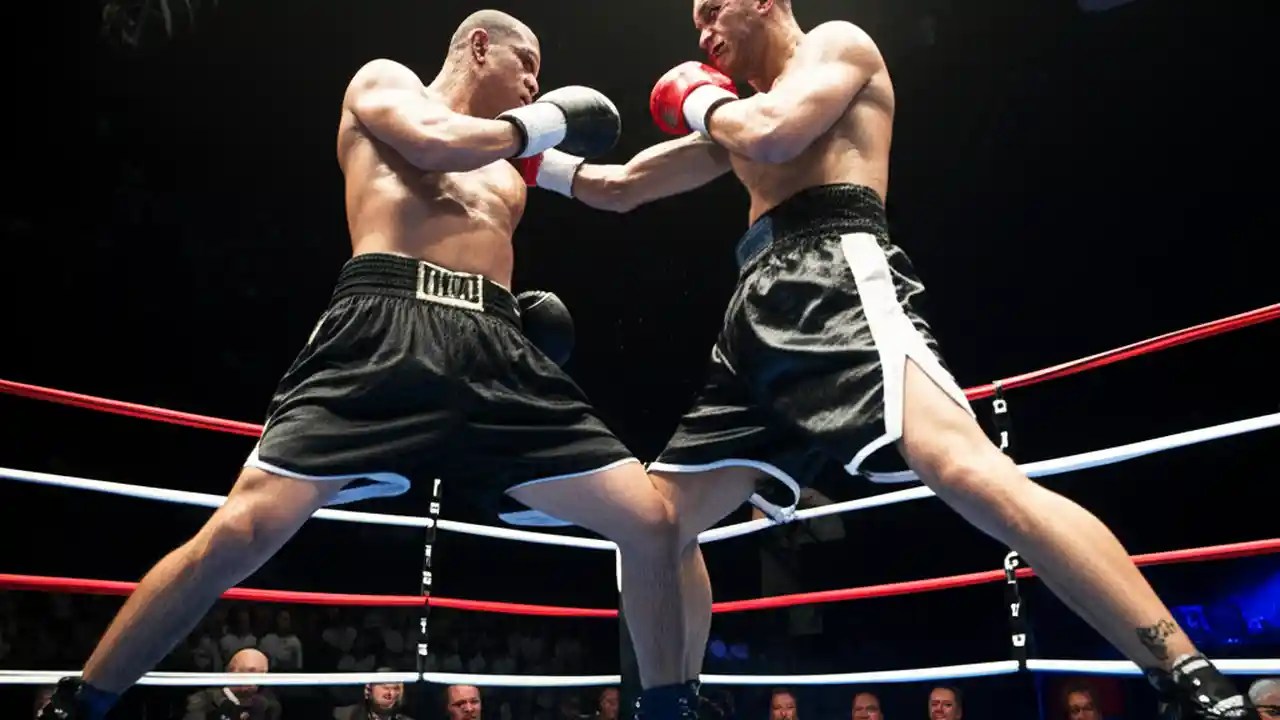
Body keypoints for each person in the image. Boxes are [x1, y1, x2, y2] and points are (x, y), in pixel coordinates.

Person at [518, 0, 1259, 716]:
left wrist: (699, 100)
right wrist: (522, 154)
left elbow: (776, 134)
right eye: (695, 23)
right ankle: (669, 704)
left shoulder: (836, 46)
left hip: (837, 274)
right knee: (654, 526)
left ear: (766, 0)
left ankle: (1186, 673)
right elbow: (618, 189)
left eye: (714, 9)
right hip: (752, 312)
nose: (704, 30)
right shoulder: (735, 114)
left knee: (971, 475)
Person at [39, 9, 695, 719]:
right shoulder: (387, 85)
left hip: (496, 353)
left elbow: (620, 186)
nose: (538, 82)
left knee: (654, 522)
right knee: (241, 533)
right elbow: (434, 142)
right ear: (479, 47)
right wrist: (544, 118)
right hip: (382, 327)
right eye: (528, 63)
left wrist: (732, 128)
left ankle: (668, 708)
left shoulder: (518, 155)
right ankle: (81, 702)